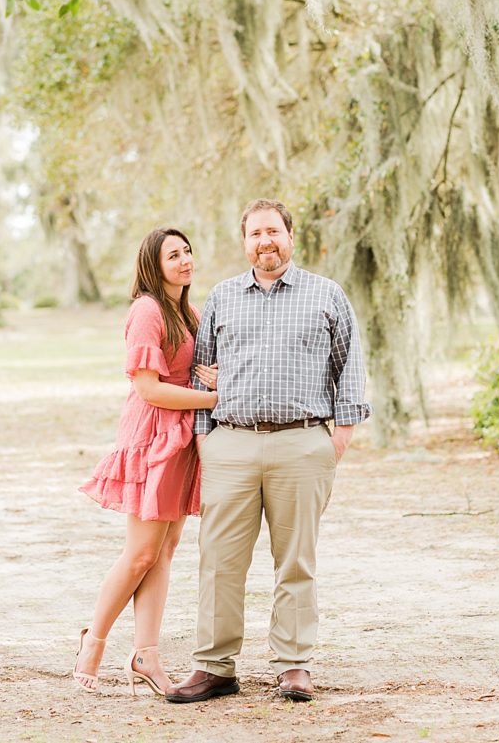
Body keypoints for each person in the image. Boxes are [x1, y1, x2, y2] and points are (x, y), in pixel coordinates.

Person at [166, 198, 369, 704]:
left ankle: (293, 664)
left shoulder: (326, 295)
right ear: (246, 241)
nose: (265, 241)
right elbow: (202, 371)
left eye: (273, 231)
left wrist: (336, 437)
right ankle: (214, 665)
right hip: (230, 443)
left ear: (290, 236)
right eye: (255, 233)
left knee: (295, 559)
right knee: (218, 559)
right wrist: (205, 438)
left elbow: (351, 367)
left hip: (302, 444)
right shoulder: (222, 298)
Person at [72, 227, 220, 696]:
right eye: (172, 254)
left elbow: (194, 367)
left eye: (187, 251)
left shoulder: (190, 311)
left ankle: (146, 655)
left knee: (165, 549)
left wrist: (211, 378)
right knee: (140, 553)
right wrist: (212, 397)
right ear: (153, 265)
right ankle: (92, 643)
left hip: (181, 438)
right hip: (153, 435)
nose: (184, 260)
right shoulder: (147, 310)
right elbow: (149, 388)